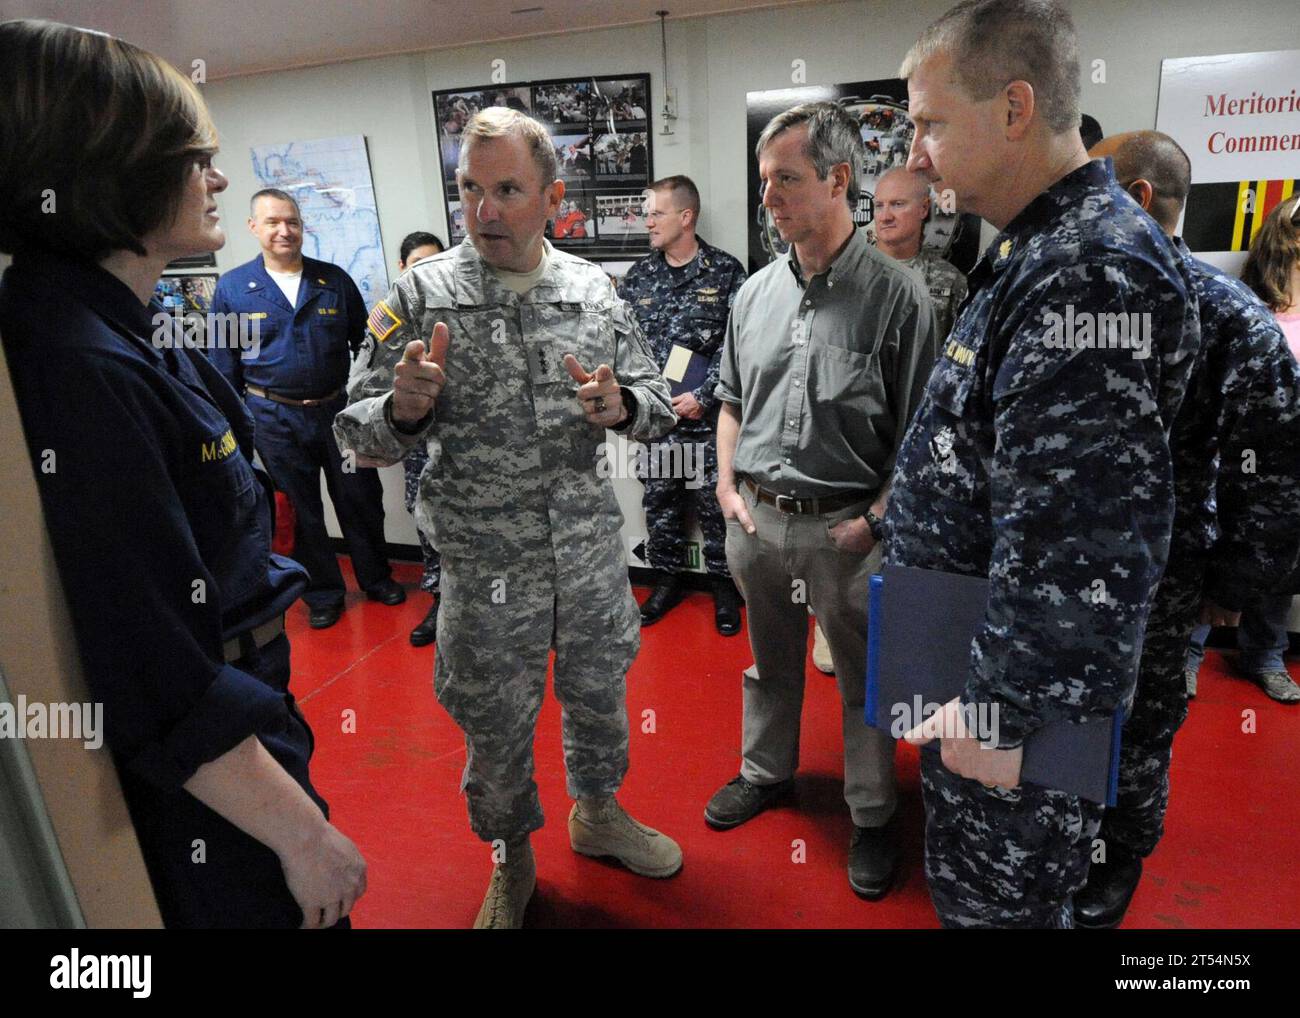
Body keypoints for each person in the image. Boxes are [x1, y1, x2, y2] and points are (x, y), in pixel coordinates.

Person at [0, 18, 365, 929]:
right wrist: (303, 835)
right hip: (211, 756)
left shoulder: (134, 317)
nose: (220, 178)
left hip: (254, 698)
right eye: (192, 157)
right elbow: (152, 661)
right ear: (109, 168)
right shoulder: (81, 363)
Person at [886, 0, 1201, 928]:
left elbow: (1081, 536)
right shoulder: (1040, 246)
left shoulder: (1086, 268)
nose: (915, 153)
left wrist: (998, 711)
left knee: (1003, 913)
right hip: (978, 655)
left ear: (1015, 108)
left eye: (932, 123)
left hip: (1015, 703)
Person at [333, 107, 681, 929]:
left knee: (599, 696)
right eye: (469, 189)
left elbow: (661, 404)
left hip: (589, 555)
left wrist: (623, 403)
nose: (484, 210)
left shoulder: (593, 288)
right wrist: (404, 411)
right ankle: (512, 856)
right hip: (486, 566)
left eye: (508, 190)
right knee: (494, 718)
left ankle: (597, 817)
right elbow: (355, 430)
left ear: (553, 197)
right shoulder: (420, 297)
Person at [705, 101, 939, 900]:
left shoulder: (901, 299)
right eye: (764, 180)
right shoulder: (754, 294)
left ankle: (872, 816)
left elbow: (920, 438)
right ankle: (765, 773)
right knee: (769, 667)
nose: (768, 195)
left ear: (839, 179)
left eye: (786, 179)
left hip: (848, 532)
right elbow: (732, 401)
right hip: (757, 525)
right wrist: (727, 486)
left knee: (866, 684)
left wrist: (871, 523)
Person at [1072, 131, 1300, 927]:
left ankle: (1114, 864)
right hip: (1072, 568)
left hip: (1168, 577)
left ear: (1135, 198)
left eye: (1095, 193)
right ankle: (1067, 843)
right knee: (1070, 713)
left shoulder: (1228, 317)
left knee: (1139, 731)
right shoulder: (1085, 297)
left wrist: (1235, 589)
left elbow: (1276, 468)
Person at [211, 190, 405, 630]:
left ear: (302, 226)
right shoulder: (233, 289)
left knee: (360, 498)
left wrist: (370, 405)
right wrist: (235, 432)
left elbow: (368, 348)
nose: (284, 230)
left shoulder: (333, 280)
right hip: (273, 418)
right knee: (298, 510)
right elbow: (223, 366)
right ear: (253, 227)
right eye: (274, 222)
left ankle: (376, 577)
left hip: (338, 414)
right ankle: (322, 592)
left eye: (293, 222)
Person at [618, 175, 748, 634]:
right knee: (662, 506)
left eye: (656, 212)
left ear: (685, 217)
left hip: (711, 422)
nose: (647, 221)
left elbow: (738, 347)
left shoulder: (727, 272)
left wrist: (704, 394)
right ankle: (666, 580)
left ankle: (725, 589)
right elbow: (625, 348)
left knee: (717, 509)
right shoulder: (637, 278)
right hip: (657, 423)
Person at [1184, 194, 1300, 703]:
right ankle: (1186, 654)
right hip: (1236, 454)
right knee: (1214, 550)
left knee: (1282, 556)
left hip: (1291, 459)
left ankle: (1265, 654)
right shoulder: (1249, 306)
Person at [395, 231, 447, 646]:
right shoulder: (391, 315)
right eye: (418, 265)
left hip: (460, 442)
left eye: (436, 264)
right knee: (424, 515)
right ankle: (439, 598)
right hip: (417, 441)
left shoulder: (459, 314)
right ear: (402, 269)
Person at [873, 166, 968, 341]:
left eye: (897, 204)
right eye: (879, 206)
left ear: (923, 208)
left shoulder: (950, 280)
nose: (885, 216)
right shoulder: (846, 272)